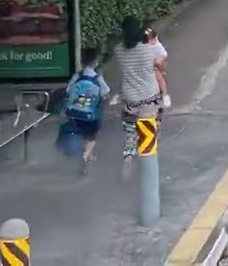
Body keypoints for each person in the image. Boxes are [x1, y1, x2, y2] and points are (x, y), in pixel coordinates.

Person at [113, 16, 169, 169]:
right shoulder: (148, 49)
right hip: (149, 98)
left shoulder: (118, 50)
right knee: (152, 128)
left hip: (130, 98)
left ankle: (128, 156)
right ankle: (148, 163)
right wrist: (154, 43)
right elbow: (161, 65)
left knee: (131, 131)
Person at [63, 48, 110, 172]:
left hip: (76, 112)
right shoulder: (98, 78)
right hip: (92, 114)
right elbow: (105, 94)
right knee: (91, 136)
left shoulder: (77, 76)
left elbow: (68, 91)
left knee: (83, 133)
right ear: (95, 62)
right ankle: (86, 154)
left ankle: (87, 153)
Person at [145, 26, 170, 120]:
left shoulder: (157, 46)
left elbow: (164, 55)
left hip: (157, 63)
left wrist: (158, 62)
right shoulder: (145, 46)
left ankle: (165, 95)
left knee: (160, 78)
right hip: (149, 65)